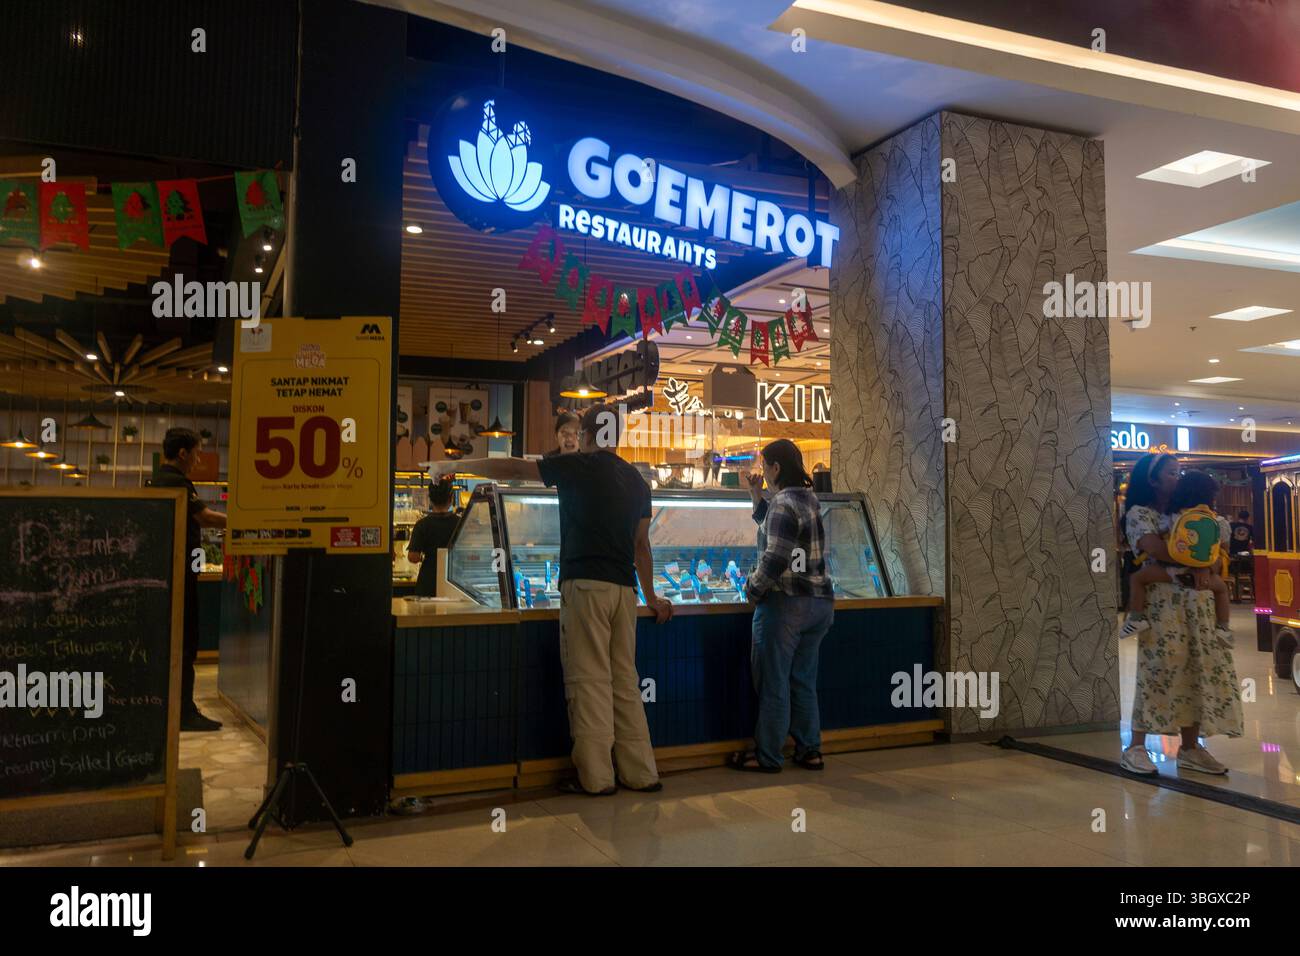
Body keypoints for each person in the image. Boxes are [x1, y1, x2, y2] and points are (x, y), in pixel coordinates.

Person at [430, 403, 673, 795]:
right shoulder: (637, 481)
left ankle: (596, 779)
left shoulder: (577, 466)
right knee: (625, 681)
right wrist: (652, 596)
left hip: (585, 586)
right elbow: (641, 546)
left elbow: (512, 469)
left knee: (590, 680)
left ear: (589, 434)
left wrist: (454, 466)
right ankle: (642, 773)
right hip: (624, 592)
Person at [1119, 452, 1242, 776]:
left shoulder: (1196, 515)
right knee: (1159, 669)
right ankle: (1136, 746)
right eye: (1171, 473)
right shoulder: (1140, 514)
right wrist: (1198, 560)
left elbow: (1215, 554)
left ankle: (1190, 747)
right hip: (1163, 605)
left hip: (1198, 603)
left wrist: (1207, 564)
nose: (1177, 478)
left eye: (1179, 472)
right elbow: (1158, 549)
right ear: (1153, 479)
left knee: (1197, 669)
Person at [729, 439, 835, 773]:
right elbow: (784, 534)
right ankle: (809, 750)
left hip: (786, 605)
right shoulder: (808, 499)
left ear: (776, 468)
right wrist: (755, 496)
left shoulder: (783, 504)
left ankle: (769, 755)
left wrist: (752, 589)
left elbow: (775, 556)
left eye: (765, 466)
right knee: (802, 679)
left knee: (774, 681)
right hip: (819, 604)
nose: (762, 472)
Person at [148, 427, 227, 732]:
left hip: (170, 572)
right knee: (185, 644)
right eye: (196, 452)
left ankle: (172, 708)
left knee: (174, 644)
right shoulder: (176, 482)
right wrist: (245, 522)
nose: (198, 458)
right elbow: (205, 517)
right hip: (180, 576)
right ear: (182, 453)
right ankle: (184, 713)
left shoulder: (159, 479)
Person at [1120, 470, 1234, 647]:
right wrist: (1206, 565)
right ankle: (1224, 627)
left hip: (1169, 572)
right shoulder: (1218, 521)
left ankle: (1136, 618)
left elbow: (1158, 540)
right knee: (1222, 591)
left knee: (1137, 579)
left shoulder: (1172, 516)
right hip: (1204, 576)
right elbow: (1224, 551)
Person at [405, 480, 460, 597]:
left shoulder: (422, 524)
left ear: (430, 499)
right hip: (454, 580)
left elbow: (413, 557)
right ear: (451, 498)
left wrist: (423, 556)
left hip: (428, 581)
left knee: (428, 614)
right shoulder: (460, 523)